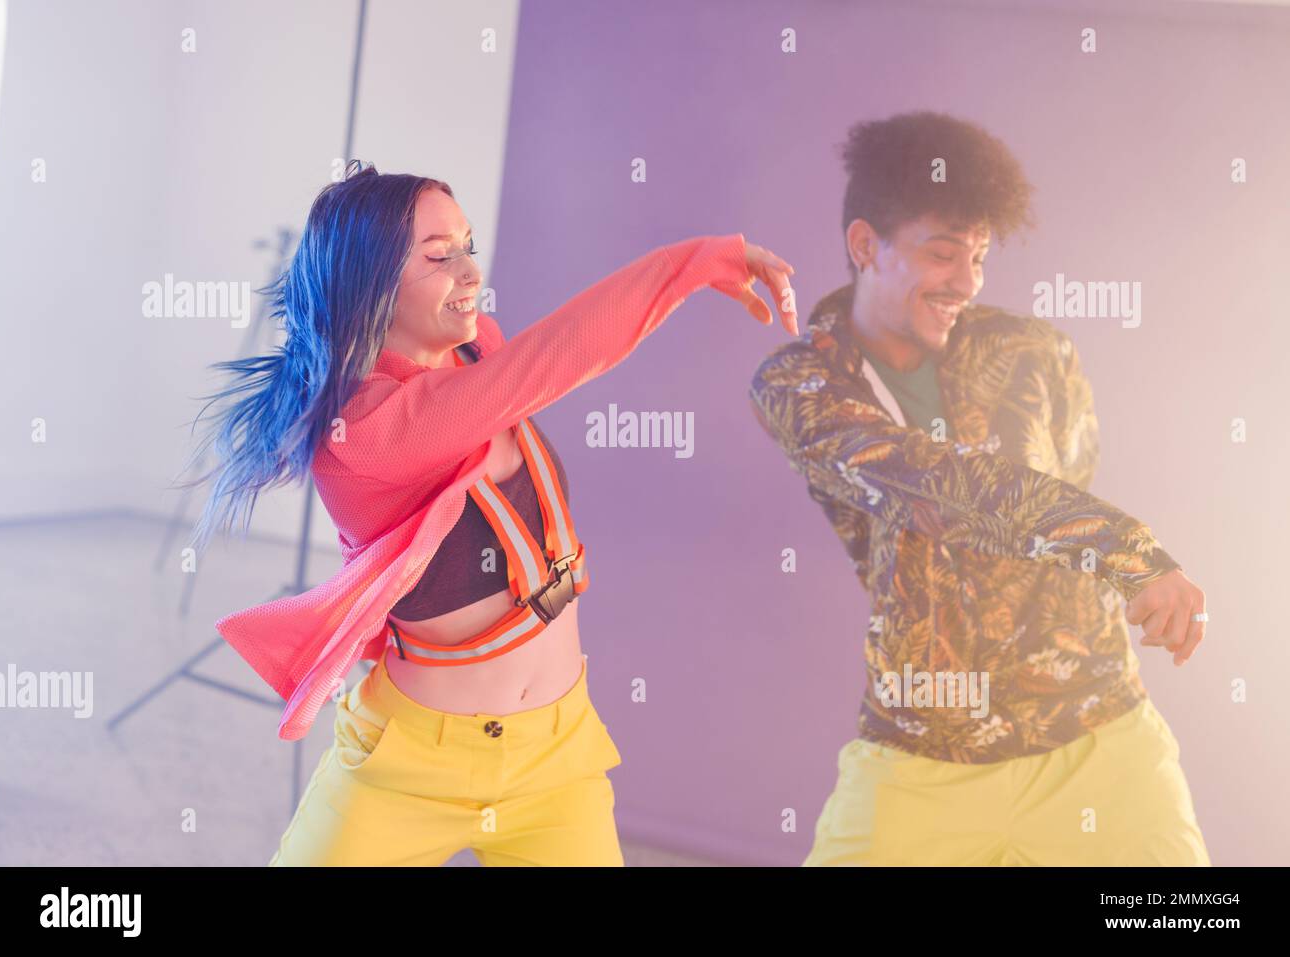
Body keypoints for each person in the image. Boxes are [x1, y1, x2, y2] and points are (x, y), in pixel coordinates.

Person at [178, 161, 797, 866]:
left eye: (468, 246)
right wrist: (693, 262)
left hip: (555, 758)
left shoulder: (474, 350)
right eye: (440, 256)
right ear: (368, 281)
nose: (471, 271)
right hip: (410, 766)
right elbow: (559, 355)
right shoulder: (365, 431)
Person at [748, 112, 1211, 866]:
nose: (966, 280)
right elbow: (951, 489)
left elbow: (1067, 481)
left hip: (1096, 740)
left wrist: (1103, 563)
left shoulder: (1035, 352)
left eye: (980, 255)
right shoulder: (798, 385)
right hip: (920, 756)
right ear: (865, 245)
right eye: (942, 253)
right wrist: (1131, 552)